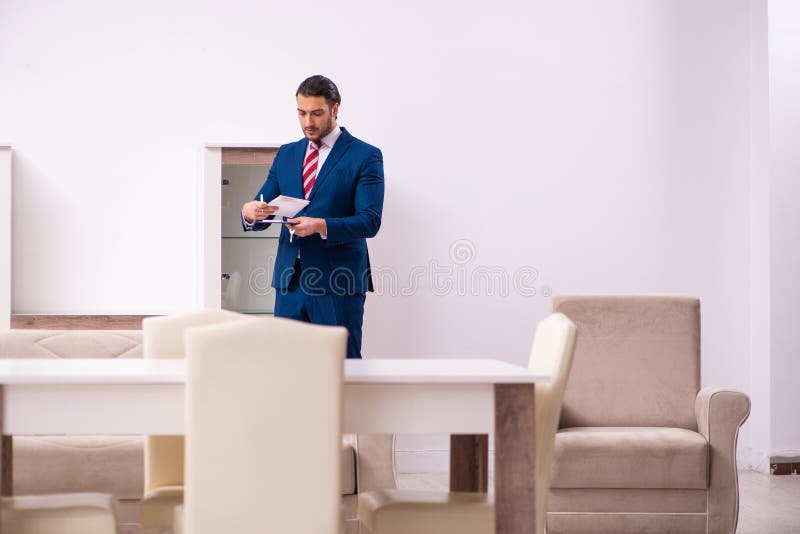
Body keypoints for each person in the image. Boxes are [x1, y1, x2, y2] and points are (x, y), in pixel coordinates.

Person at [241, 75, 384, 359]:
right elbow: (262, 204)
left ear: (335, 109)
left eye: (317, 113)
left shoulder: (365, 155)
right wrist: (249, 213)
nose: (308, 121)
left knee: (342, 371)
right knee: (287, 371)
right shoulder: (287, 154)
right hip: (289, 282)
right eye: (302, 113)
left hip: (337, 284)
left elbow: (370, 220)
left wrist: (320, 226)